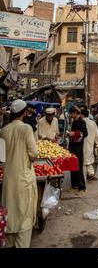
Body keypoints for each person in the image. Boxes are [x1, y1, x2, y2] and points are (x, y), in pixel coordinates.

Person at [0, 99, 38, 248]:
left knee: (10, 214)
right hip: (24, 179)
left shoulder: (3, 131)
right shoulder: (26, 128)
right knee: (24, 216)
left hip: (9, 179)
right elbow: (34, 153)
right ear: (23, 113)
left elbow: (1, 157)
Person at [68, 106, 88, 193]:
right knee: (72, 166)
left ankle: (82, 188)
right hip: (73, 147)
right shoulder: (74, 121)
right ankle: (74, 185)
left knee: (79, 167)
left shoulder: (81, 121)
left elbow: (85, 133)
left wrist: (75, 133)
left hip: (78, 148)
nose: (70, 115)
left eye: (71, 113)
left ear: (76, 112)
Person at [81, 107, 98, 181]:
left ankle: (85, 178)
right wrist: (97, 145)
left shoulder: (80, 122)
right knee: (88, 160)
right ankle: (91, 173)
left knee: (84, 162)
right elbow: (97, 135)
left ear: (82, 115)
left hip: (82, 144)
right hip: (90, 144)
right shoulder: (93, 123)